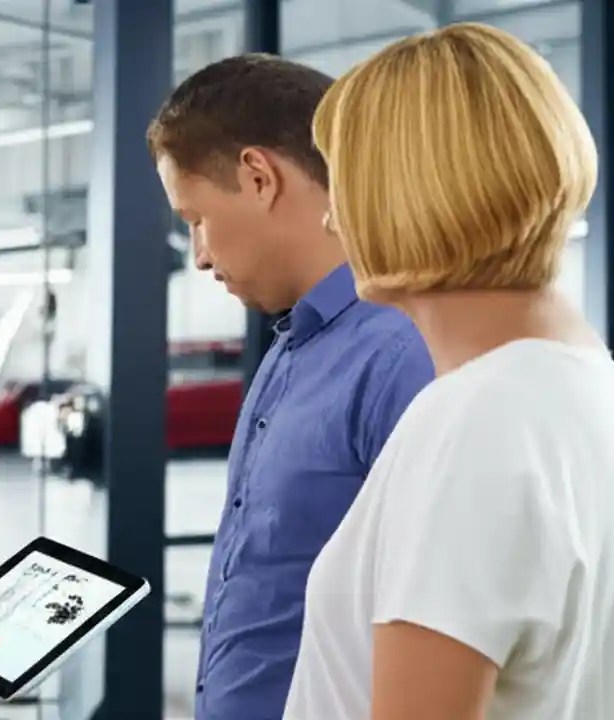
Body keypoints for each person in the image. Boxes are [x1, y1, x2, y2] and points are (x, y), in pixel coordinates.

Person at [285, 22, 614, 720]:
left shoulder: (477, 421)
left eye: (344, 182)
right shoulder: (585, 389)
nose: (332, 220)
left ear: (405, 190)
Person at [145, 55, 435, 719]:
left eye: (196, 218)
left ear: (258, 177)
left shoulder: (402, 358)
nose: (200, 255)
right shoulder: (291, 349)